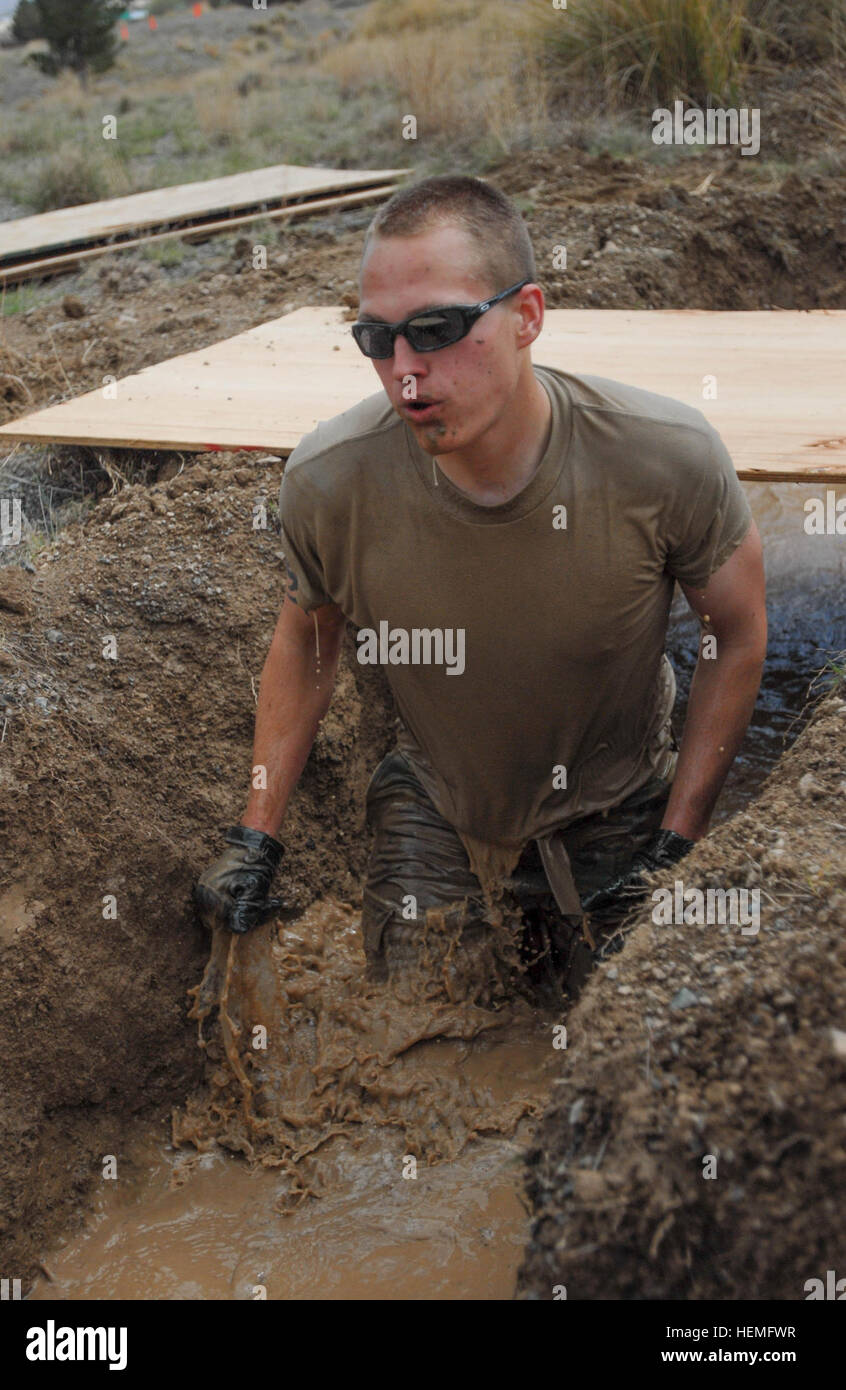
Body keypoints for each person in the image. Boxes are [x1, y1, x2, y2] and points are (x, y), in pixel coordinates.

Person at [195, 174, 767, 1000]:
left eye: (436, 330)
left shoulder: (662, 458)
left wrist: (679, 846)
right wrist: (256, 840)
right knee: (415, 1044)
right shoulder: (333, 480)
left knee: (617, 1035)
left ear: (526, 315)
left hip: (619, 801)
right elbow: (310, 638)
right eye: (377, 340)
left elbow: (737, 635)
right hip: (439, 806)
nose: (407, 376)